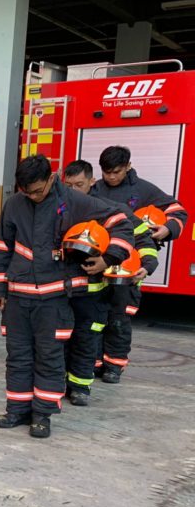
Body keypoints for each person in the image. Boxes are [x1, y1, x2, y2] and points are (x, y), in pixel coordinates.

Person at [0, 154, 133, 438]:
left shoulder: (75, 202)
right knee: (17, 357)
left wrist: (109, 258)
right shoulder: (14, 204)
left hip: (55, 299)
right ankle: (17, 409)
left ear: (52, 178)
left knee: (49, 357)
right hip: (18, 297)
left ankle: (43, 415)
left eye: (38, 190)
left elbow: (122, 223)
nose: (32, 196)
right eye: (26, 191)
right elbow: (2, 246)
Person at [62, 159, 158, 405]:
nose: (73, 190)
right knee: (59, 339)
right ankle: (59, 383)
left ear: (92, 181)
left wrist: (146, 266)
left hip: (96, 290)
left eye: (79, 184)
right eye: (68, 185)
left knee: (89, 337)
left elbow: (142, 239)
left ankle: (81, 387)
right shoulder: (58, 210)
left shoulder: (111, 209)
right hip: (61, 291)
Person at [91, 145, 189, 383]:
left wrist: (168, 228)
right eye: (107, 172)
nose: (111, 177)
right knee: (95, 318)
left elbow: (178, 211)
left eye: (116, 171)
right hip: (101, 265)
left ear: (128, 167)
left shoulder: (144, 190)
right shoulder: (95, 190)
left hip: (130, 266)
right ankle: (93, 362)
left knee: (119, 319)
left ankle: (115, 365)